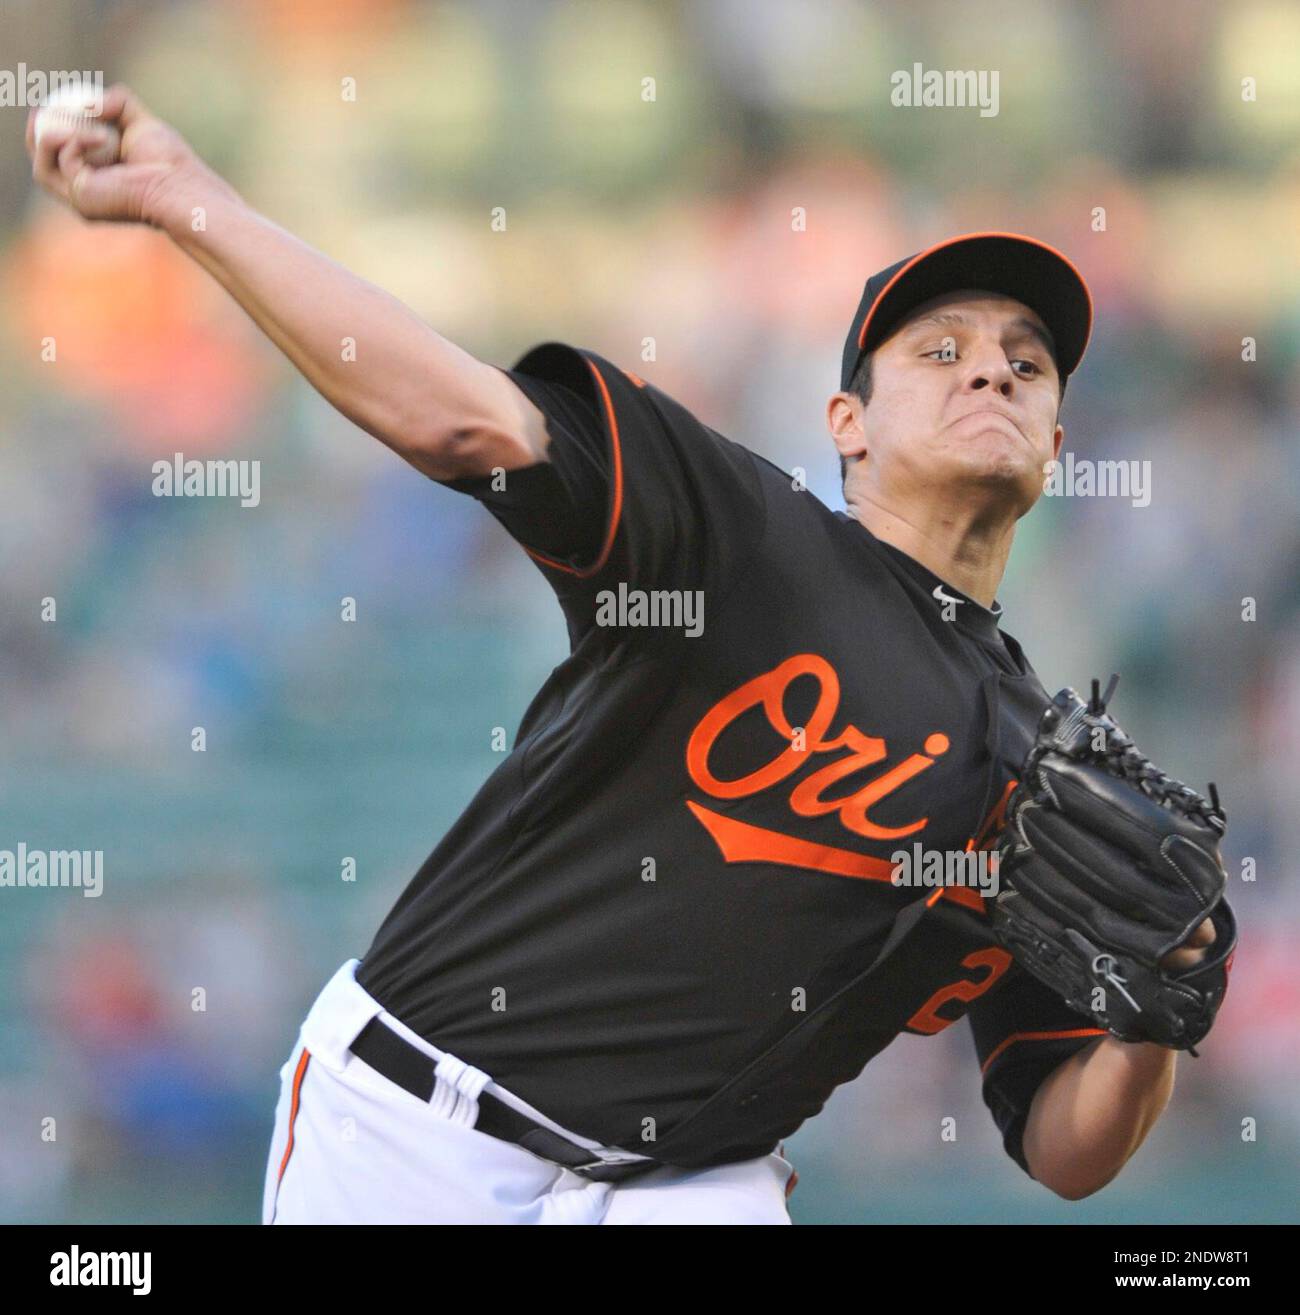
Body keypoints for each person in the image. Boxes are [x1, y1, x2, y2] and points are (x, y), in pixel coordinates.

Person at [28, 85, 1223, 1226]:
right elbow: (466, 421)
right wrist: (194, 201)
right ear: (844, 425)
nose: (990, 367)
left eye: (1026, 361)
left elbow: (1067, 1151)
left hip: (689, 1183)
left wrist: (1158, 1014)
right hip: (418, 1123)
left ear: (1057, 441)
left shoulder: (1050, 777)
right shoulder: (737, 531)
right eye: (937, 348)